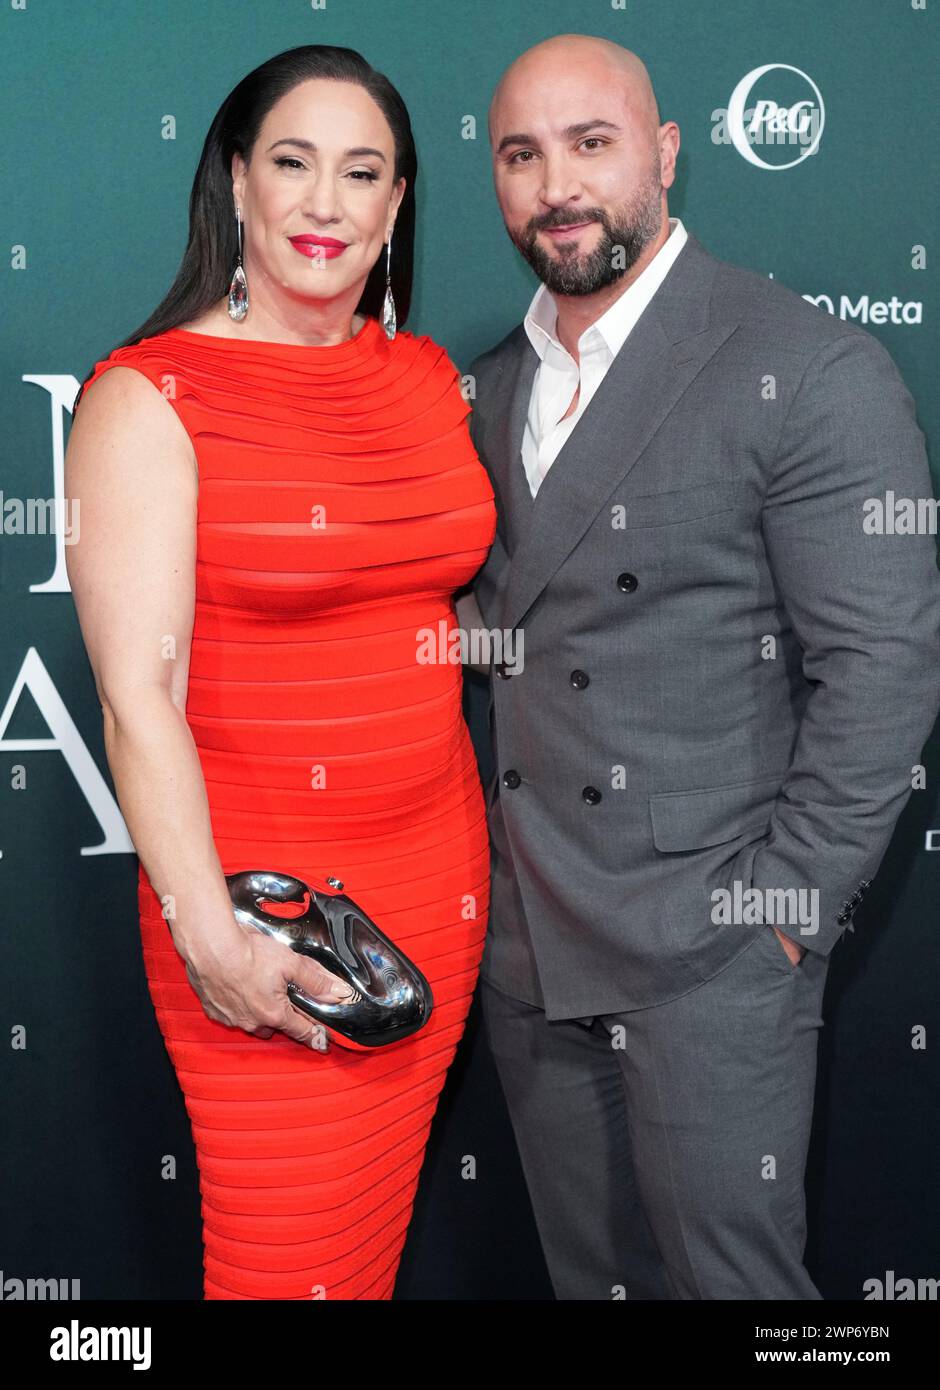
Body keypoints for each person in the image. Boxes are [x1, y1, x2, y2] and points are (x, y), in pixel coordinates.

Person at [459, 34, 940, 1299]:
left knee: (734, 1289)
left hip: (713, 953)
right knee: (592, 1281)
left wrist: (780, 919)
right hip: (531, 945)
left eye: (591, 143)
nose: (557, 183)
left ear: (665, 155)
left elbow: (882, 672)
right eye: (522, 154)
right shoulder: (486, 387)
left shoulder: (807, 366)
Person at [66, 44, 495, 1300]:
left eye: (361, 173)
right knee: (279, 1262)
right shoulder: (147, 398)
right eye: (293, 165)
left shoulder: (422, 383)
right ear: (236, 184)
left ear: (397, 205)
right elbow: (135, 697)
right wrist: (214, 940)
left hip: (432, 886)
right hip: (264, 909)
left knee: (357, 1257)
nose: (325, 204)